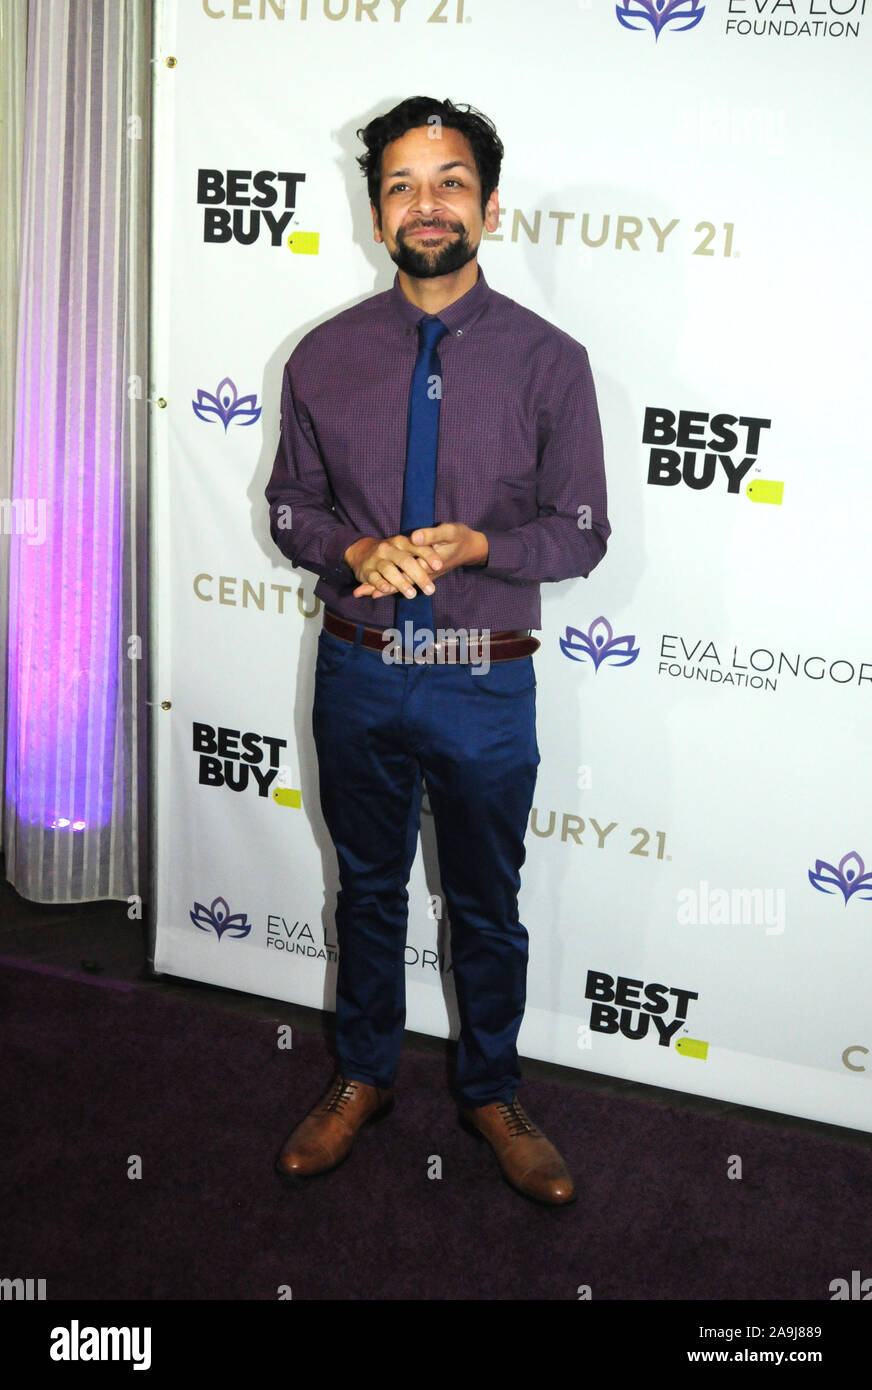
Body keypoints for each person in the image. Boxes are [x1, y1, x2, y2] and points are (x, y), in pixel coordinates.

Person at [264, 96, 609, 1205]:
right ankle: (361, 1075)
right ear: (375, 213)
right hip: (359, 672)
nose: (427, 204)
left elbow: (582, 533)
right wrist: (355, 543)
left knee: (484, 901)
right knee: (365, 888)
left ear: (488, 205)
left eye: (450, 181)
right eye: (404, 185)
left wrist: (484, 545)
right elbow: (288, 510)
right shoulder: (322, 356)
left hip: (482, 675)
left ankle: (492, 1089)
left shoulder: (551, 362)